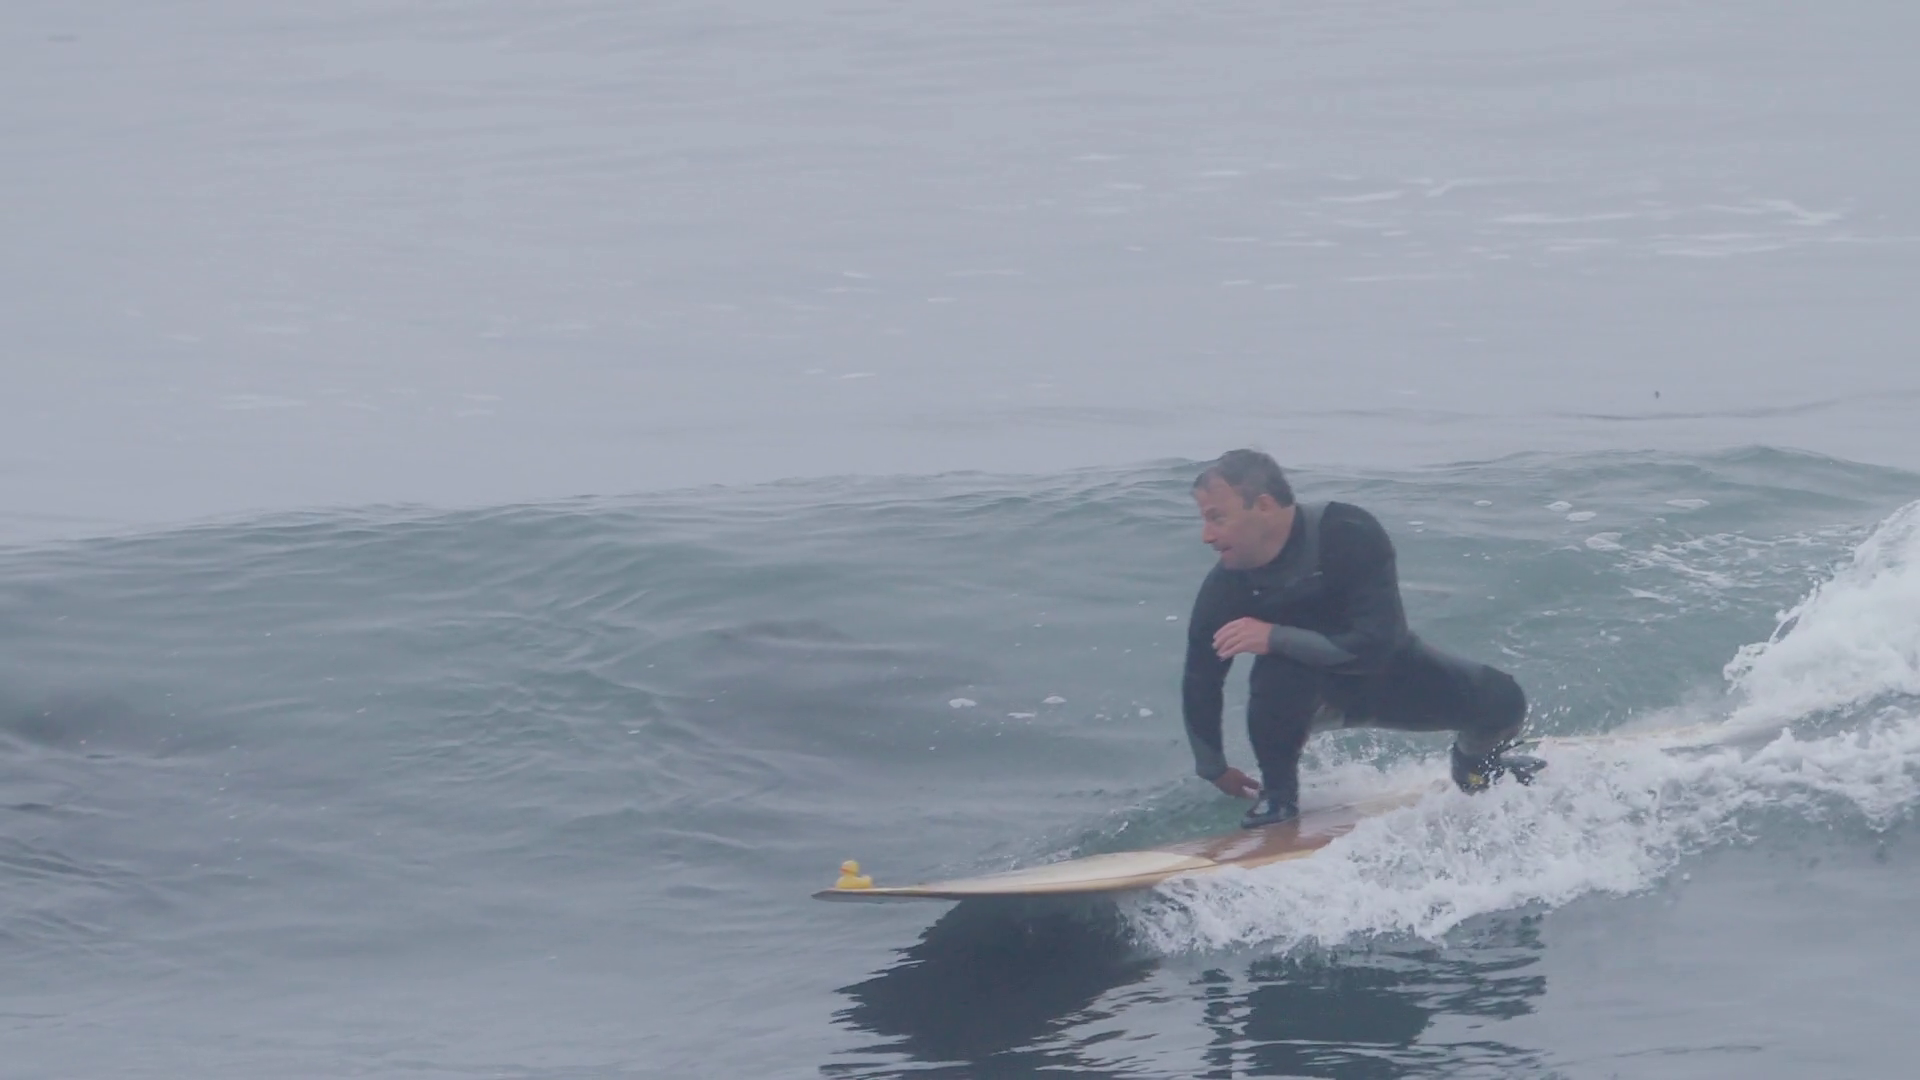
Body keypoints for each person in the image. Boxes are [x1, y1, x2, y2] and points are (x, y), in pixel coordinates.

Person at [1181, 449, 1544, 828]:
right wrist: (1214, 768)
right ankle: (1278, 797)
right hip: (1305, 701)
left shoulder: (1346, 531)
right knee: (1278, 670)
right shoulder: (1227, 587)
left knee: (1503, 701)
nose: (1207, 535)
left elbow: (1379, 645)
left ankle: (1476, 767)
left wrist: (1275, 636)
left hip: (1392, 675)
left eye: (1216, 518)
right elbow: (1200, 679)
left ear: (1265, 506)